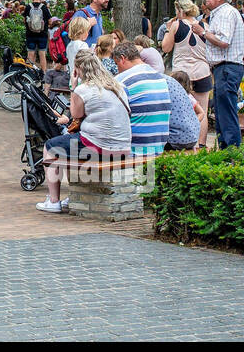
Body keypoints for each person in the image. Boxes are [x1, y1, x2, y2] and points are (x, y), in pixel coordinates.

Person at [36, 50, 132, 213]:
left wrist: (73, 87)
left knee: (51, 147)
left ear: (78, 69)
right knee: (69, 144)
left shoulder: (84, 89)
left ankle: (53, 200)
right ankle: (73, 196)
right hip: (123, 146)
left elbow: (75, 114)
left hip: (100, 146)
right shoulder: (117, 86)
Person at [183, 0, 244, 149]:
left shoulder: (225, 13)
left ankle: (231, 149)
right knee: (221, 110)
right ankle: (226, 147)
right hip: (224, 67)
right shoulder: (221, 13)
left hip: (227, 67)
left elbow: (224, 41)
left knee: (225, 110)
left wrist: (202, 32)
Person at [161, 0, 213, 149]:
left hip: (181, 74)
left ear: (180, 11)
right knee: (202, 109)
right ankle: (201, 144)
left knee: (179, 108)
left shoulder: (177, 25)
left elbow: (166, 47)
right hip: (202, 71)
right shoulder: (204, 26)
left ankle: (180, 140)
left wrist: (167, 29)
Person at [112, 42, 172, 157]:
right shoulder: (160, 77)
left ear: (122, 59)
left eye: (116, 64)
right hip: (158, 147)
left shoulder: (122, 80)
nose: (117, 69)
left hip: (133, 150)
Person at [164, 70, 203, 151]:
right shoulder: (189, 97)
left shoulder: (172, 95)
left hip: (175, 139)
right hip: (192, 136)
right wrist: (194, 123)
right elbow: (201, 112)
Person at [23, 0, 52, 72]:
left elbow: (24, 20)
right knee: (42, 54)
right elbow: (50, 21)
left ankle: (29, 73)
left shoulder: (28, 7)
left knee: (30, 54)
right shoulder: (44, 7)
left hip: (30, 35)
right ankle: (43, 73)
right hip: (42, 34)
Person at [65, 15, 93, 80]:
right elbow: (88, 61)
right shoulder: (82, 45)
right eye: (87, 31)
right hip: (82, 78)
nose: (88, 34)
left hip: (72, 78)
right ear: (81, 32)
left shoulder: (69, 45)